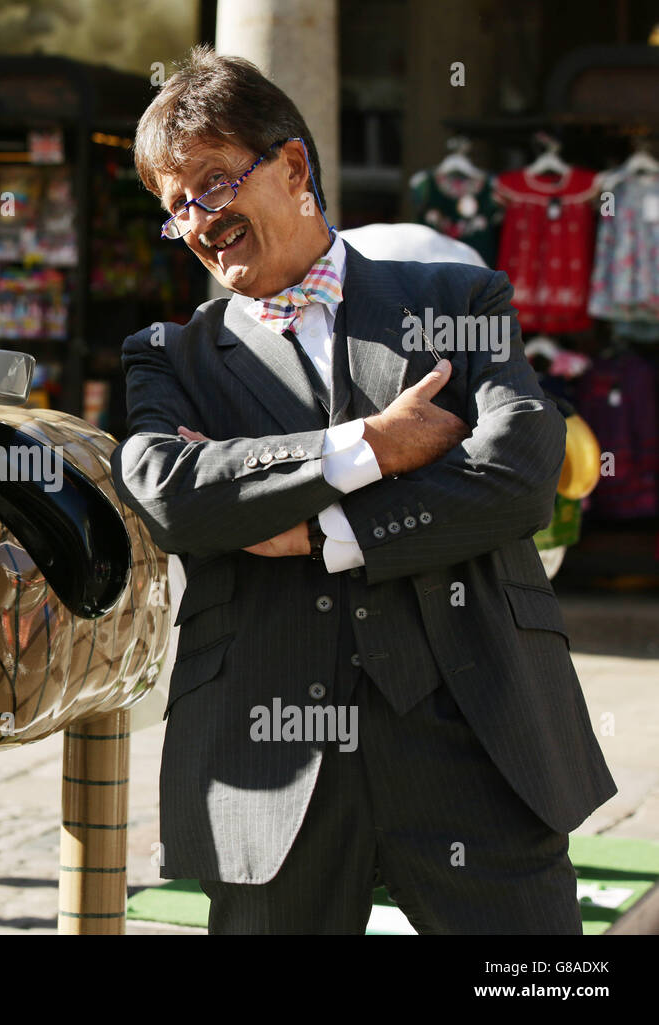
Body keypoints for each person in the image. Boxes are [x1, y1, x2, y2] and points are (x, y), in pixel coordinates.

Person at [111, 46, 616, 934]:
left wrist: (320, 534)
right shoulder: (169, 354)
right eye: (175, 206)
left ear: (294, 166)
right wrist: (369, 447)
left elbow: (516, 476)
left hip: (473, 734)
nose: (198, 221)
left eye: (215, 185)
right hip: (269, 758)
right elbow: (175, 495)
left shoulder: (456, 294)